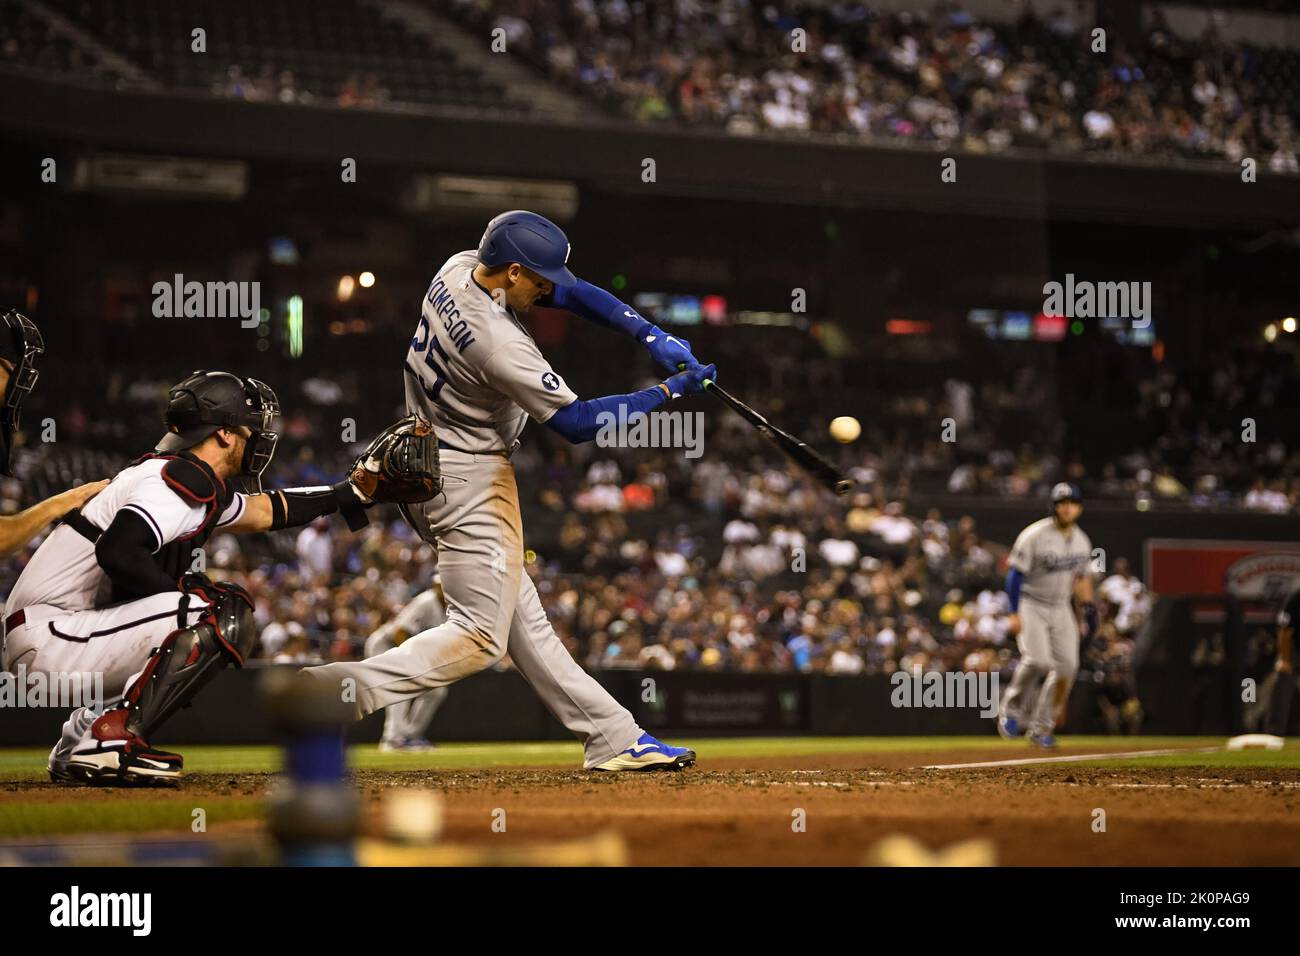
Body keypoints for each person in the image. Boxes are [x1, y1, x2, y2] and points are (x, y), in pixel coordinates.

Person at [307, 210, 711, 771]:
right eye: (540, 280)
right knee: (479, 637)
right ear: (514, 271)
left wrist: (649, 332)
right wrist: (667, 391)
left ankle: (614, 737)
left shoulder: (457, 268)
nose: (548, 290)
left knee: (526, 627)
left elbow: (574, 295)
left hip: (425, 461)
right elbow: (576, 424)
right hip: (468, 481)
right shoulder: (498, 343)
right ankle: (331, 693)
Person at [2, 370, 373, 784]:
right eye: (251, 427)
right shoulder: (175, 480)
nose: (260, 437)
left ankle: (83, 736)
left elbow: (263, 511)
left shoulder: (179, 477)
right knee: (218, 612)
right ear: (225, 433)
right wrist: (177, 600)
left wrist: (349, 494)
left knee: (196, 611)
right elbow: (118, 552)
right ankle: (109, 739)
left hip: (52, 636)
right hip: (52, 636)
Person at [997, 482, 1097, 748]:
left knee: (1068, 667)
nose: (1067, 508)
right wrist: (1014, 612)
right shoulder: (1034, 535)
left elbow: (1082, 578)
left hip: (1061, 605)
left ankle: (1042, 727)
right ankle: (1011, 710)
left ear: (1079, 508)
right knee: (1038, 660)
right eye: (1062, 503)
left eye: (1072, 504)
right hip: (1031, 602)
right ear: (1053, 507)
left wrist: (1089, 608)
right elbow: (1014, 575)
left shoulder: (1082, 540)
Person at [366, 576, 449, 752]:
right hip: (385, 645)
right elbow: (400, 632)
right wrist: (410, 660)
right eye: (440, 585)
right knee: (401, 685)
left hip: (407, 649)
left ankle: (411, 736)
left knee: (436, 691)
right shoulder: (426, 601)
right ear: (435, 586)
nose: (443, 588)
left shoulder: (449, 607)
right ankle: (393, 739)